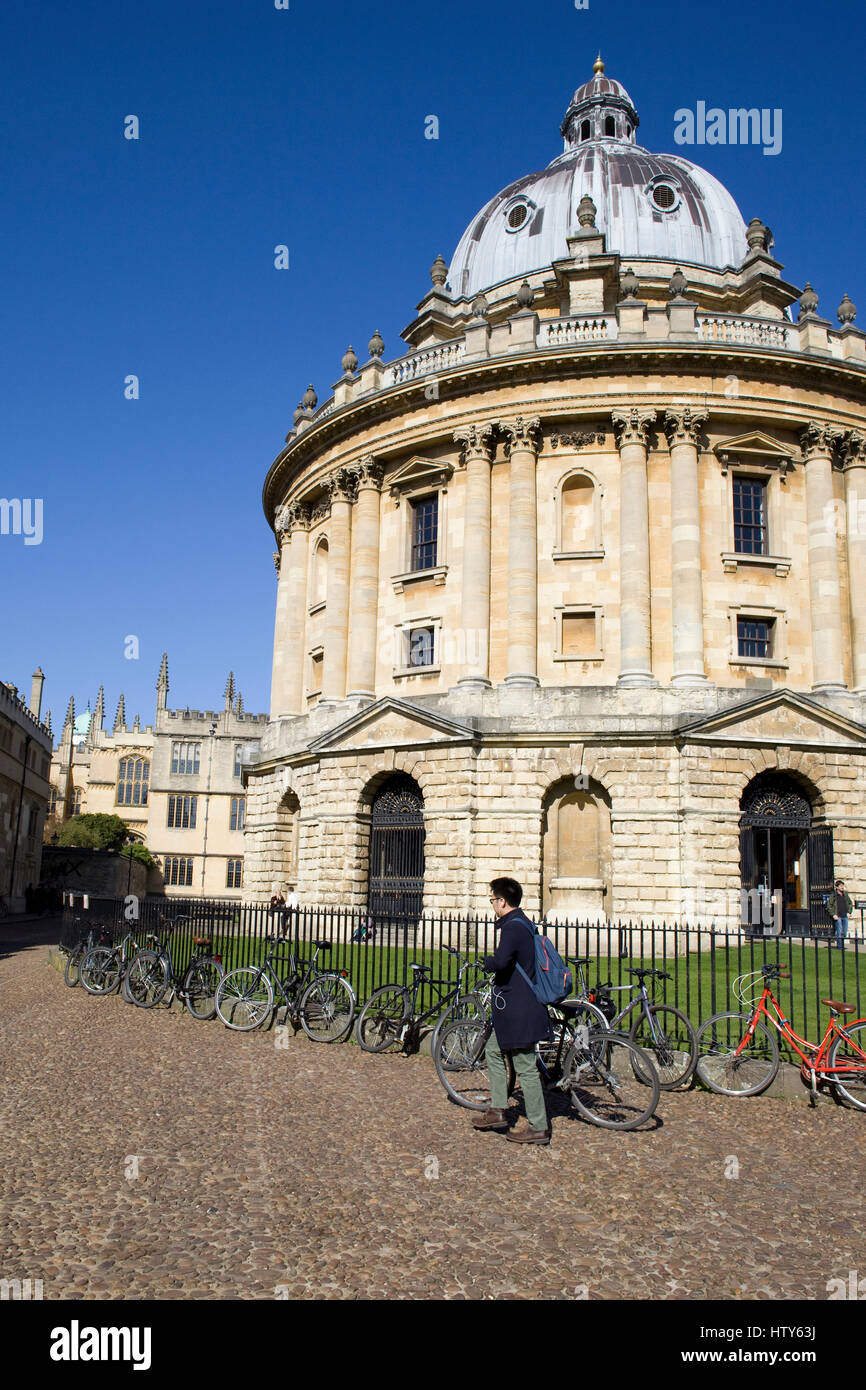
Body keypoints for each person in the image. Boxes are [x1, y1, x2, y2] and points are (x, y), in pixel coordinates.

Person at [472, 877, 552, 1146]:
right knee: (494, 1051)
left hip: (519, 1008)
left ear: (502, 901)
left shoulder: (513, 928)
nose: (493, 904)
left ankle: (539, 1126)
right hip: (515, 1007)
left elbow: (503, 960)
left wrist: (488, 962)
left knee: (525, 1065)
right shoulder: (524, 923)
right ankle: (497, 1109)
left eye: (493, 899)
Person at [831, 879, 854, 949]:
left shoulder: (845, 894)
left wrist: (849, 912)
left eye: (843, 886)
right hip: (838, 916)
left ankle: (840, 942)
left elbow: (850, 903)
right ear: (837, 887)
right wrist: (833, 914)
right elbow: (829, 905)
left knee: (844, 932)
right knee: (839, 931)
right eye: (841, 886)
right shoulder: (833, 895)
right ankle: (840, 946)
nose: (842, 887)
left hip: (845, 915)